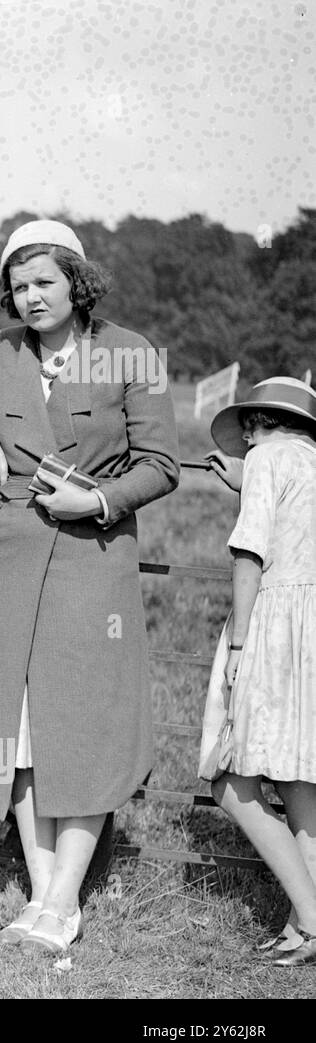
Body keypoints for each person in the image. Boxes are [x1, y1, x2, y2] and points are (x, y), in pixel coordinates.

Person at [0, 220, 179, 954]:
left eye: (45, 281)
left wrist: (101, 502)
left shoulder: (132, 353)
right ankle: (44, 893)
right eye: (18, 286)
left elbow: (164, 463)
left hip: (91, 558)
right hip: (3, 556)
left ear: (77, 281)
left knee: (81, 723)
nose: (31, 297)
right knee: (11, 721)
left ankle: (60, 898)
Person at [200, 377, 316, 968]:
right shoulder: (308, 463)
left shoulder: (268, 458)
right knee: (300, 776)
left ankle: (315, 918)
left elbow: (250, 552)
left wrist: (240, 643)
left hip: (274, 622)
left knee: (229, 777)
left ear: (255, 424)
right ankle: (301, 924)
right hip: (313, 630)